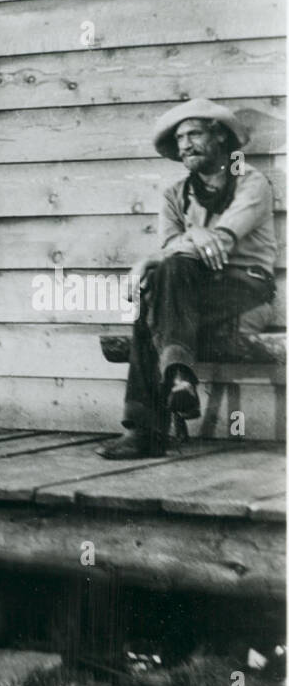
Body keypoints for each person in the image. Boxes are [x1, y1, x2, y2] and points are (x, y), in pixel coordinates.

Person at [97, 99, 278, 459]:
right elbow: (171, 251)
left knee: (154, 302)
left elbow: (221, 243)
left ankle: (144, 432)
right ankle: (179, 377)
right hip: (187, 292)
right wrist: (186, 242)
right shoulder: (174, 194)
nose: (185, 145)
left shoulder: (251, 182)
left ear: (220, 138)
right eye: (179, 139)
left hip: (245, 288)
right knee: (166, 280)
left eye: (194, 134)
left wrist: (171, 248)